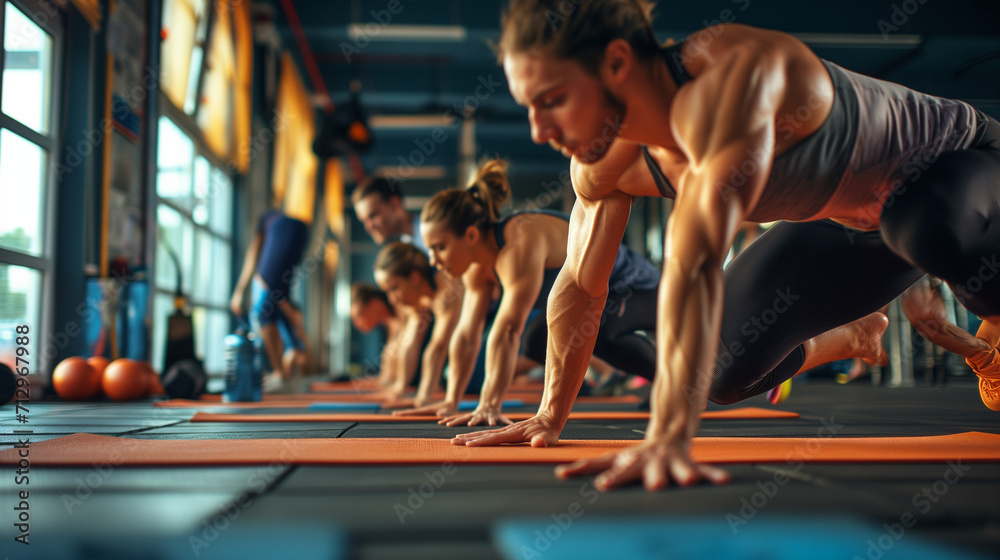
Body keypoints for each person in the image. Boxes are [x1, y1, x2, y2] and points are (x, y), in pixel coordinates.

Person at [451, 0, 1000, 491]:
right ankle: (855, 332)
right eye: (529, 107)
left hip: (964, 170)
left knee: (925, 223)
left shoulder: (732, 77)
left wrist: (666, 436)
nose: (537, 131)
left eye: (551, 101)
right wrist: (550, 414)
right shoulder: (603, 166)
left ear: (617, 63)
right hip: (853, 228)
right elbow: (578, 287)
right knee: (720, 373)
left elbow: (694, 270)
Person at [396, 159, 661, 426]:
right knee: (537, 339)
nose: (432, 260)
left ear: (471, 235)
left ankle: (672, 379)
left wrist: (488, 405)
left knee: (594, 328)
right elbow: (467, 335)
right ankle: (664, 379)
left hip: (636, 285)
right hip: (601, 297)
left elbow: (508, 328)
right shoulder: (477, 269)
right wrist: (451, 400)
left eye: (439, 247)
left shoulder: (518, 244)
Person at [373, 242, 464, 406]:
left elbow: (438, 346)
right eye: (387, 291)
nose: (392, 299)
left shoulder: (446, 289)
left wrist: (422, 398)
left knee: (453, 375)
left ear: (414, 277)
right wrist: (399, 387)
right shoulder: (420, 299)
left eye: (394, 288)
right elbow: (409, 343)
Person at [230, 208, 310, 392]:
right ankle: (288, 368)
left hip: (289, 229)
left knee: (262, 310)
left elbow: (252, 257)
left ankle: (280, 374)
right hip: (302, 231)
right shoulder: (274, 221)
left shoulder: (266, 220)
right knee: (279, 302)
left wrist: (239, 290)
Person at [350, 282, 402, 390]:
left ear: (374, 303)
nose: (357, 324)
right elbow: (385, 378)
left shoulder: (404, 316)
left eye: (359, 315)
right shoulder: (386, 328)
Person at [352, 175, 426, 251]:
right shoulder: (407, 247)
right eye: (363, 221)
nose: (368, 227)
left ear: (395, 205)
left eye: (373, 216)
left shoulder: (433, 231)